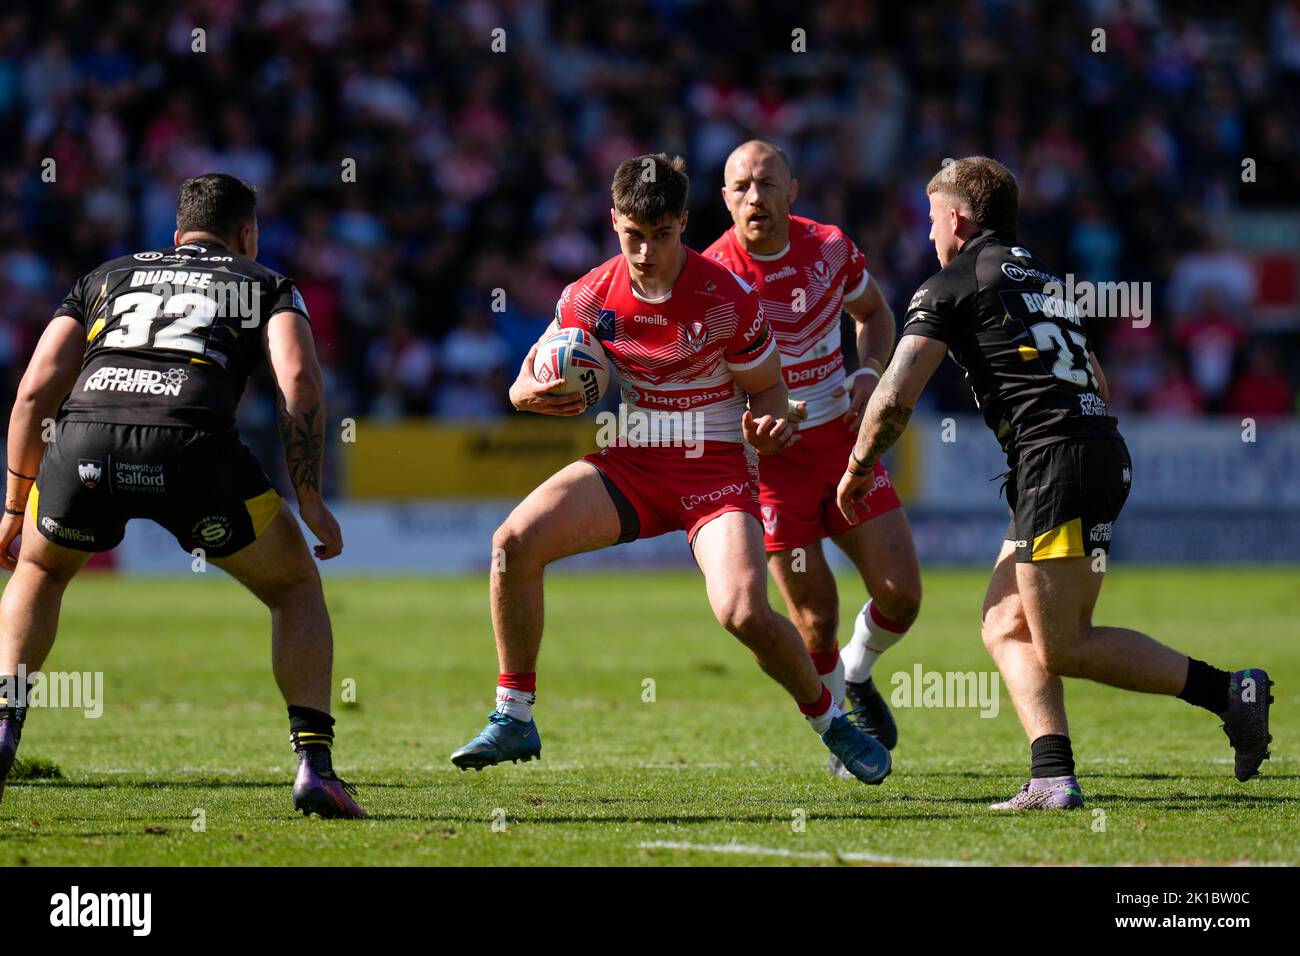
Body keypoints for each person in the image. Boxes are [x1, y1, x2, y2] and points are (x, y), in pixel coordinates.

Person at [836, 157, 1273, 809]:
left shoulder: (948, 286)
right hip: (1092, 450)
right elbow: (1093, 373)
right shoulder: (1044, 282)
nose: (929, 235)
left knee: (1064, 642)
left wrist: (859, 468)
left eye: (932, 220)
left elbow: (896, 396)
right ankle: (1052, 776)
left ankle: (1229, 693)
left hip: (1055, 464)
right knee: (1003, 622)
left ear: (957, 219)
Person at [450, 154, 891, 784]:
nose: (648, 251)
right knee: (511, 545)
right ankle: (514, 714)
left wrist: (771, 420)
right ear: (614, 222)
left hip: (715, 471)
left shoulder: (726, 298)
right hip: (633, 461)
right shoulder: (588, 296)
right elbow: (523, 382)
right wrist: (537, 396)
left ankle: (831, 722)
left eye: (662, 235)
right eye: (634, 235)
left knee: (742, 611)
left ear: (683, 222)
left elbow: (768, 388)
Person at [0, 173, 366, 818]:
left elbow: (33, 391)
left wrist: (12, 504)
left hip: (84, 443)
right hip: (192, 449)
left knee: (39, 569)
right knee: (293, 588)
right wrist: (308, 497)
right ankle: (315, 765)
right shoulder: (263, 283)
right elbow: (301, 381)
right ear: (246, 235)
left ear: (176, 235)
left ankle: (4, 729)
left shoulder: (105, 276)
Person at [704, 141, 921, 776]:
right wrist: (751, 425)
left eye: (767, 183)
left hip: (844, 447)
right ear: (725, 199)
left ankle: (858, 671)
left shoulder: (828, 247)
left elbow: (875, 313)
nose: (755, 197)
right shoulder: (713, 275)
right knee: (815, 621)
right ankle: (842, 732)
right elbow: (706, 383)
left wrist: (869, 373)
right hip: (770, 469)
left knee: (901, 596)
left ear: (792, 190)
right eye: (741, 186)